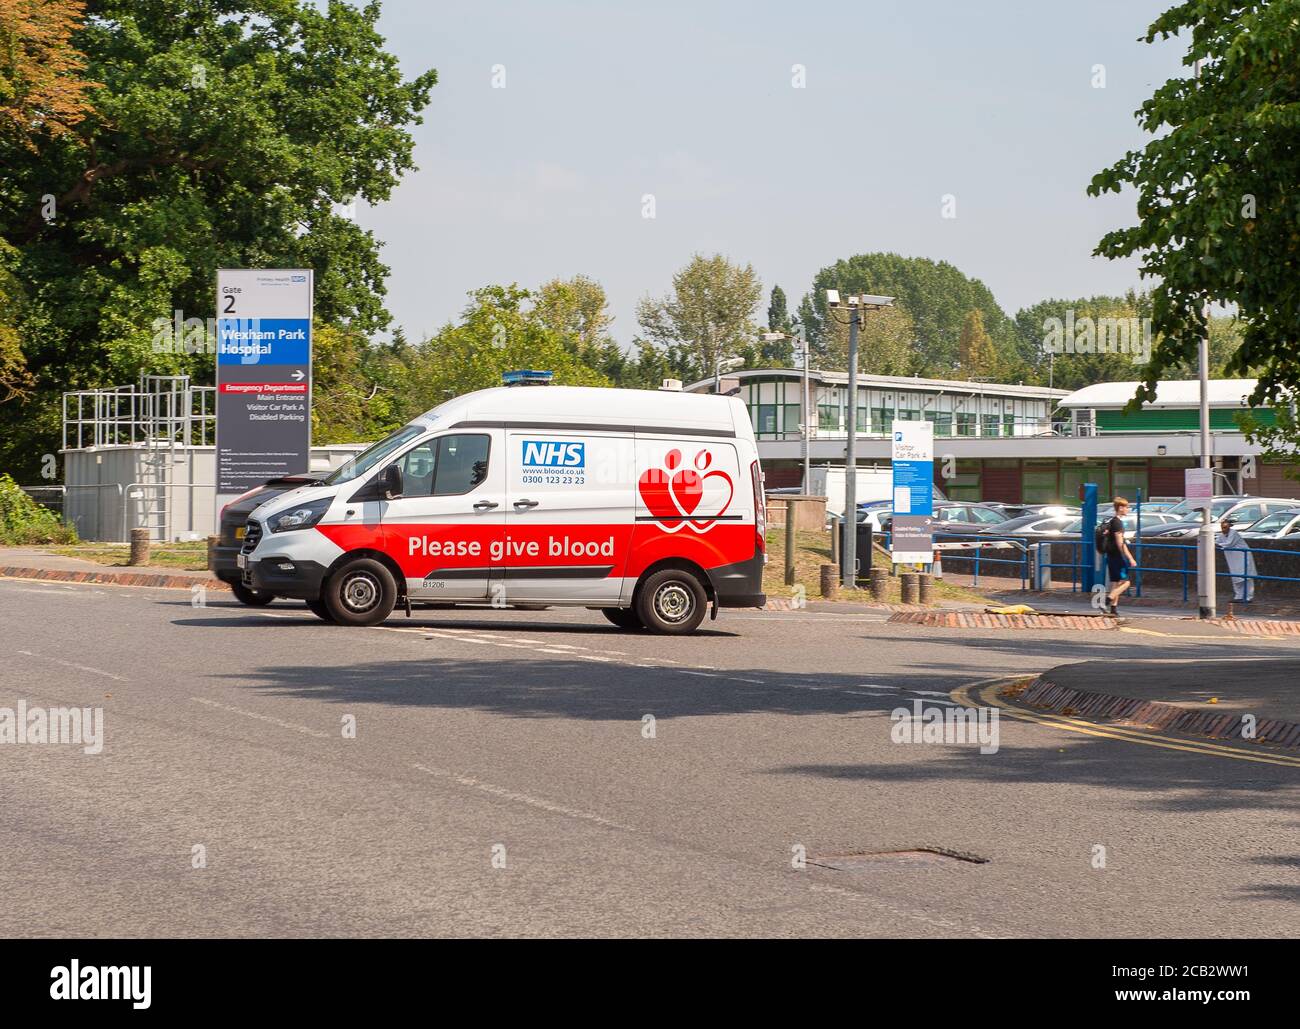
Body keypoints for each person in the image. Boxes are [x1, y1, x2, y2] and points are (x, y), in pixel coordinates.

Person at [1104, 496, 1136, 616]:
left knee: (1115, 582)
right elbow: (1120, 543)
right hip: (1117, 557)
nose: (1128, 509)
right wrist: (1130, 558)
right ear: (1120, 508)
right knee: (1126, 582)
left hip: (1110, 555)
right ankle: (1109, 598)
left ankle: (1113, 609)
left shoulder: (1112, 521)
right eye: (1127, 507)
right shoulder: (1118, 523)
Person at [1216, 517, 1257, 603]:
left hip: (1243, 556)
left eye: (1225, 528)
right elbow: (1217, 542)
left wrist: (1218, 545)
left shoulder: (1233, 533)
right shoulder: (1221, 535)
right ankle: (1238, 596)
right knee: (1236, 577)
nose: (1223, 530)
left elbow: (1228, 544)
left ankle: (1248, 596)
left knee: (1246, 576)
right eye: (1222, 528)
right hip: (1233, 559)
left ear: (1229, 527)